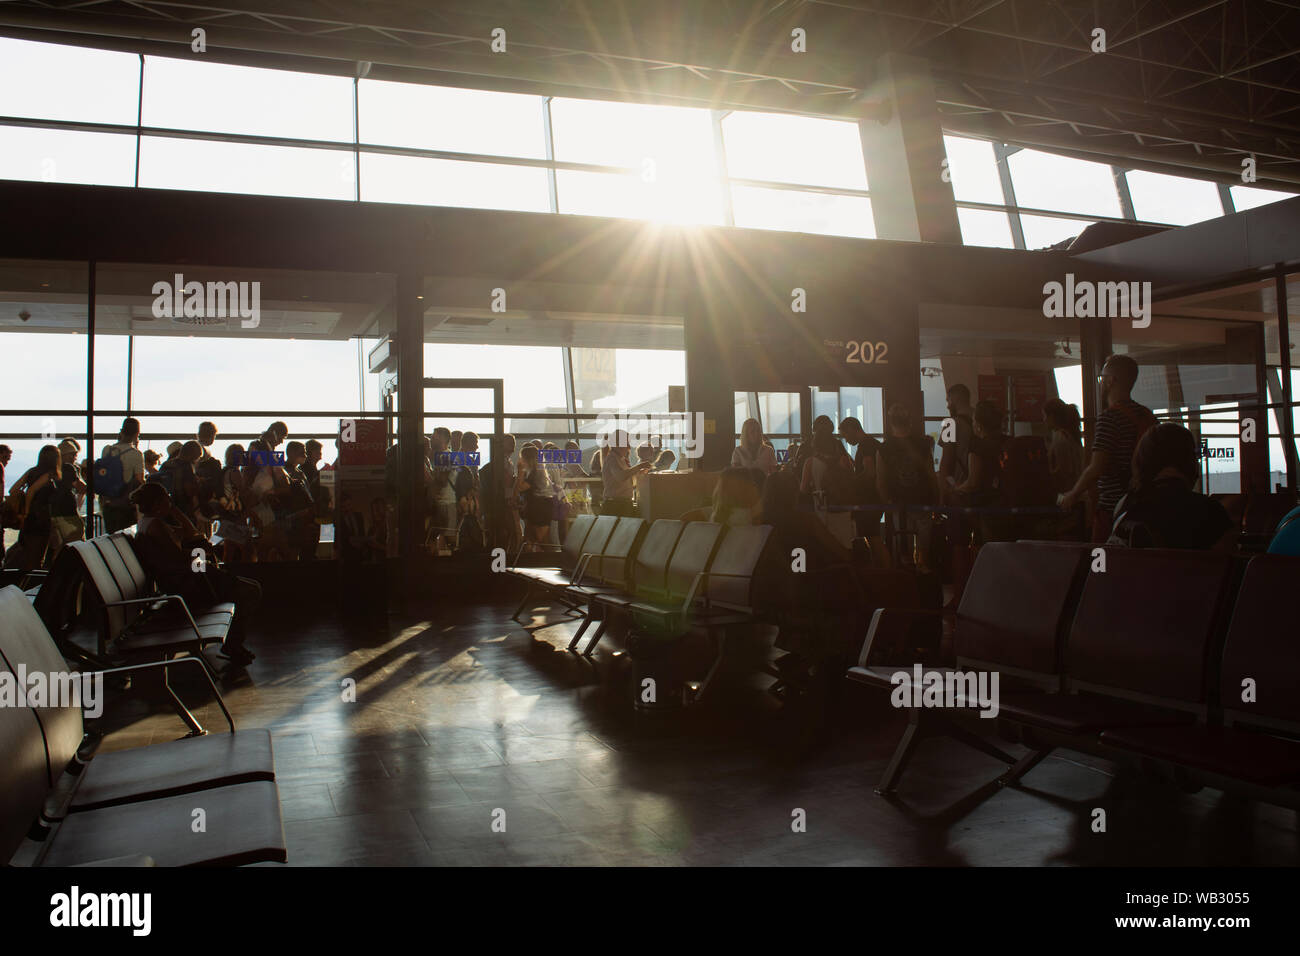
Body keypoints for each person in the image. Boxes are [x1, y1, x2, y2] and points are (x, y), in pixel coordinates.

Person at [129, 480, 259, 668]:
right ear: (159, 502)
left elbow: (192, 535)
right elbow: (180, 555)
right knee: (250, 591)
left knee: (247, 587)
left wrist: (176, 513)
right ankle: (233, 645)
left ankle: (233, 644)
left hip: (187, 578)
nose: (170, 502)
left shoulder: (148, 523)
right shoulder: (156, 525)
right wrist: (203, 554)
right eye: (168, 498)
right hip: (190, 584)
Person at [1061, 354, 1157, 541]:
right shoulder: (1147, 416)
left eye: (1102, 378)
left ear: (1110, 381)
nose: (1100, 382)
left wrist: (1073, 494)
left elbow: (1097, 467)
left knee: (1104, 562)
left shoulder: (1109, 418)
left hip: (1115, 507)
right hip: (1145, 503)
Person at [1107, 423, 1235, 551]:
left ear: (1143, 461)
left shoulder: (1126, 505)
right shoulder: (1212, 513)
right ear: (1190, 460)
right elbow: (1228, 564)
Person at [876, 404, 939, 568]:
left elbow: (881, 480)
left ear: (891, 424)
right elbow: (931, 475)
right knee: (925, 551)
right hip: (923, 502)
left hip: (899, 504)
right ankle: (924, 577)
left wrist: (887, 504)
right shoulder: (923, 445)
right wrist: (937, 500)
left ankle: (907, 582)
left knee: (904, 551)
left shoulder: (883, 449)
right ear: (910, 422)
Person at [800, 429, 856, 546]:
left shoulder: (810, 462)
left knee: (826, 545)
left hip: (822, 507)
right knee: (845, 543)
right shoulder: (844, 460)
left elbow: (803, 490)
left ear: (815, 444)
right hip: (843, 507)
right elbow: (852, 480)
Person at [839, 416, 884, 543]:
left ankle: (882, 563)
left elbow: (869, 472)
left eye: (846, 436)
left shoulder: (865, 445)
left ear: (852, 429)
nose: (846, 441)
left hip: (869, 499)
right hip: (876, 497)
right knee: (873, 538)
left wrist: (851, 482)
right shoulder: (873, 443)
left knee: (873, 539)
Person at [97, 417, 146, 533]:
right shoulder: (136, 454)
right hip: (125, 505)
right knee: (126, 538)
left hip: (108, 503)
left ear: (121, 431)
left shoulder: (107, 450)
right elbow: (139, 481)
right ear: (136, 434)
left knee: (111, 537)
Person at [48, 440, 87, 553]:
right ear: (65, 455)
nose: (75, 458)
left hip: (53, 513)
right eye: (73, 454)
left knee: (59, 548)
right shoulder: (68, 468)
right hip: (68, 514)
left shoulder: (52, 469)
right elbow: (82, 488)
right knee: (76, 546)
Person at [937, 384, 975, 502]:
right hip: (982, 487)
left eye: (948, 401)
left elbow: (946, 462)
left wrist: (944, 491)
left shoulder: (949, 424)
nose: (948, 406)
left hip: (959, 490)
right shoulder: (981, 420)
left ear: (954, 399)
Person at [214, 444, 251, 562]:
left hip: (227, 512)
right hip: (237, 513)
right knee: (246, 549)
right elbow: (243, 491)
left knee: (229, 549)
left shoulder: (224, 471)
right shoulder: (235, 472)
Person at [601, 431, 652, 516]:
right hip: (615, 506)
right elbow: (621, 477)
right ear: (618, 444)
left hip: (622, 504)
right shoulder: (612, 459)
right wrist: (639, 467)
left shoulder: (621, 460)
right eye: (627, 442)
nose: (629, 447)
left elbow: (629, 482)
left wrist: (639, 473)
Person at [516, 444, 556, 548]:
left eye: (523, 458)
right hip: (538, 508)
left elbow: (520, 487)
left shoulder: (535, 474)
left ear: (529, 459)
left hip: (540, 508)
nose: (521, 461)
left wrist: (520, 470)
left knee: (542, 538)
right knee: (532, 538)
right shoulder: (535, 472)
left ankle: (551, 560)